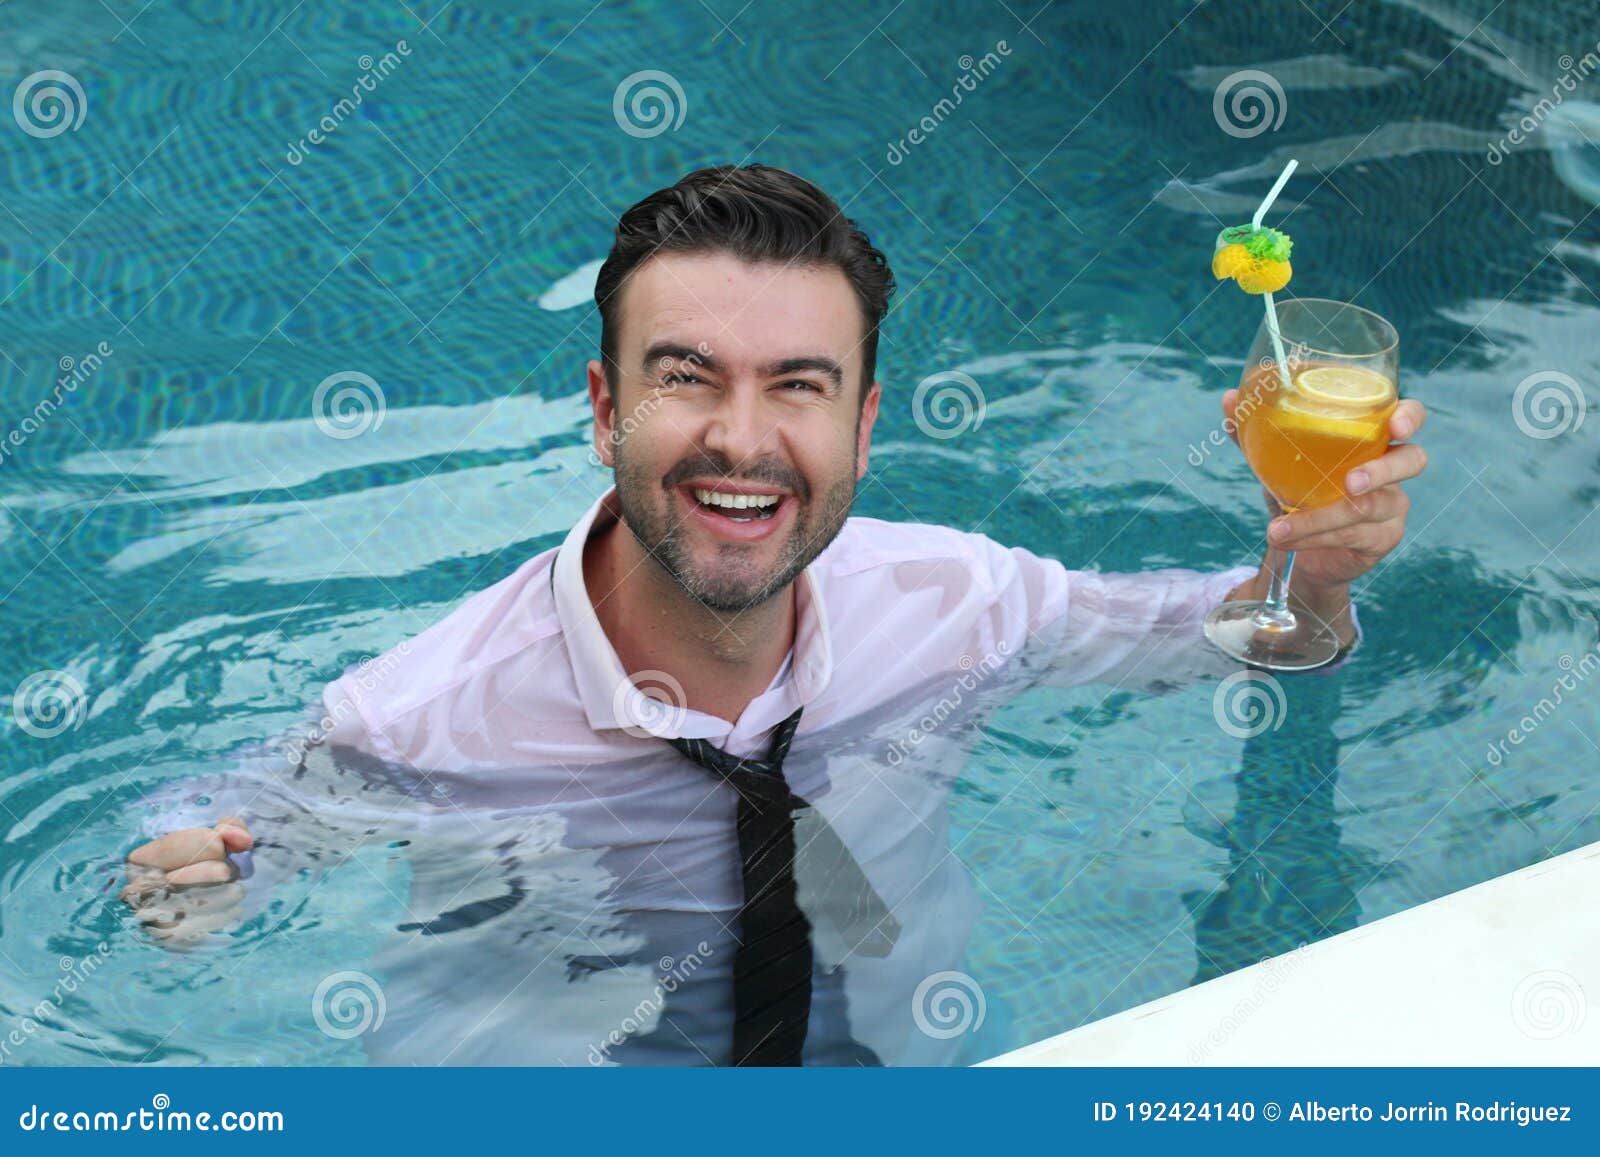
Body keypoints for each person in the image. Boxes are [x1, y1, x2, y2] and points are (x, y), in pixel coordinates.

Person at [121, 163, 1428, 1066]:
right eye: (687, 378)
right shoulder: (429, 711)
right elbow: (221, 832)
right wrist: (189, 872)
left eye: (799, 386)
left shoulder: (961, 605)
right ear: (604, 409)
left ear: (864, 424)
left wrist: (1315, 573)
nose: (743, 441)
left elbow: (1234, 640)